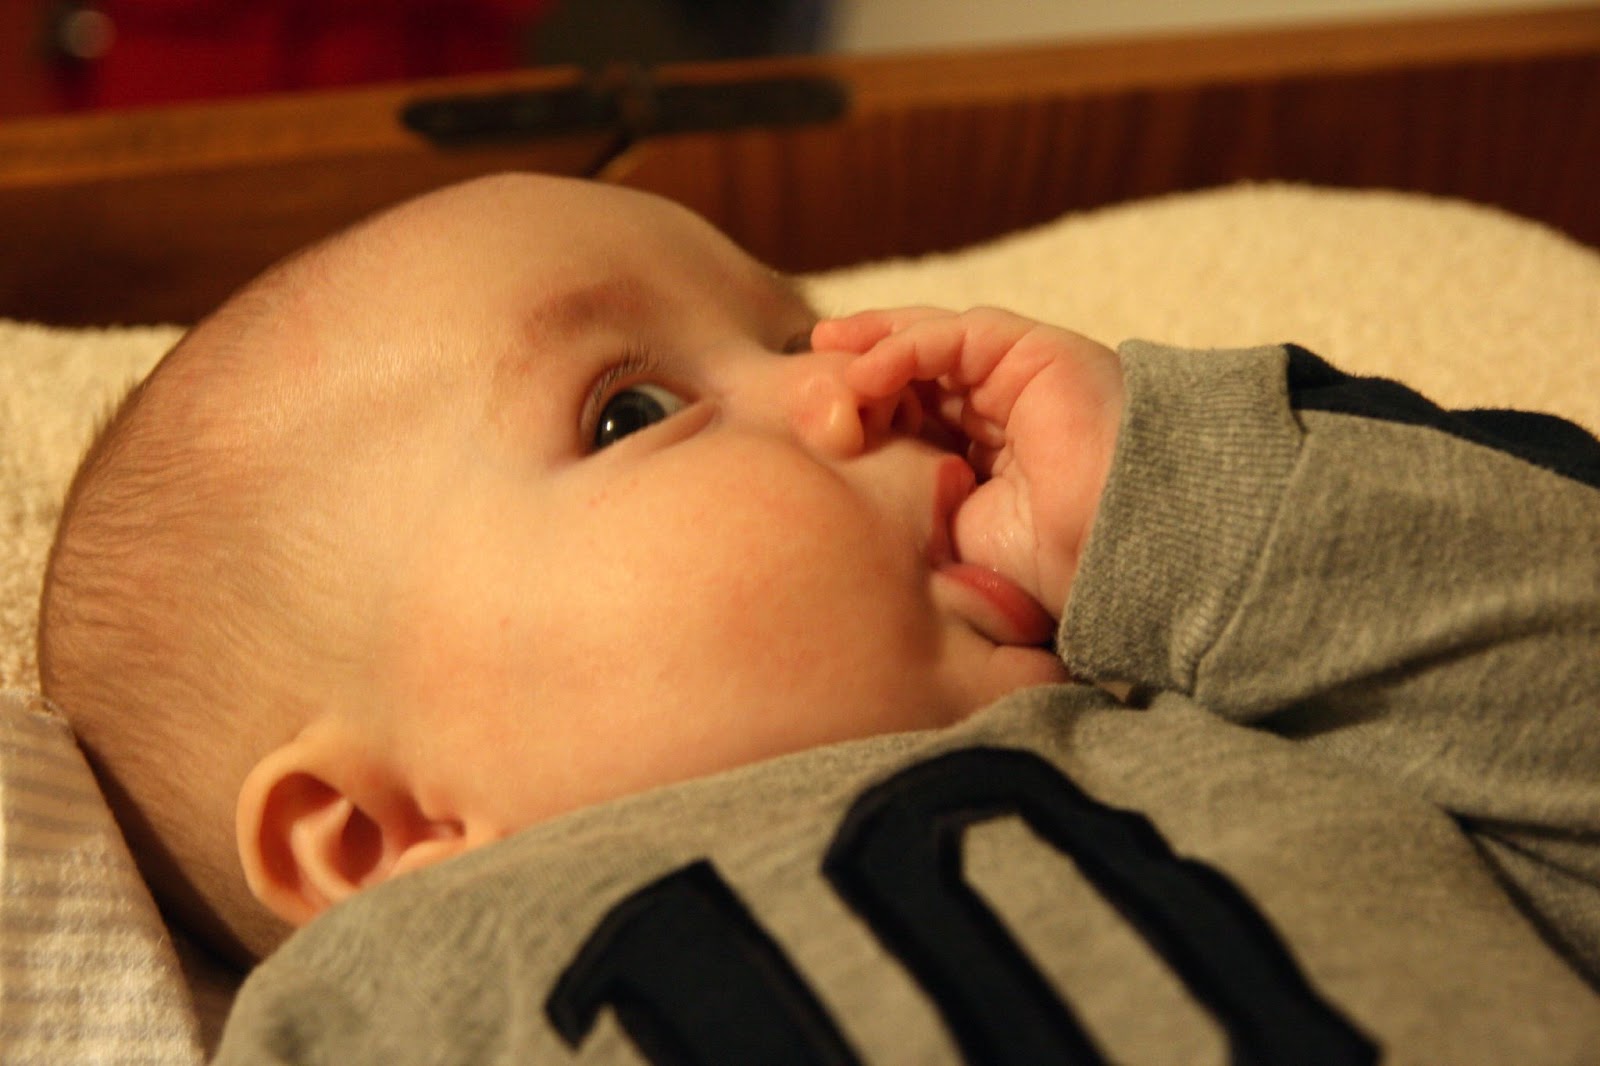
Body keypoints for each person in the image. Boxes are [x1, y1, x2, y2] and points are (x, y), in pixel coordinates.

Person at [37, 173, 1600, 1062]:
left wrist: (1180, 501)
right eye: (631, 407)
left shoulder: (1243, 692)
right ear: (376, 837)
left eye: (796, 326)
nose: (863, 372)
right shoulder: (391, 996)